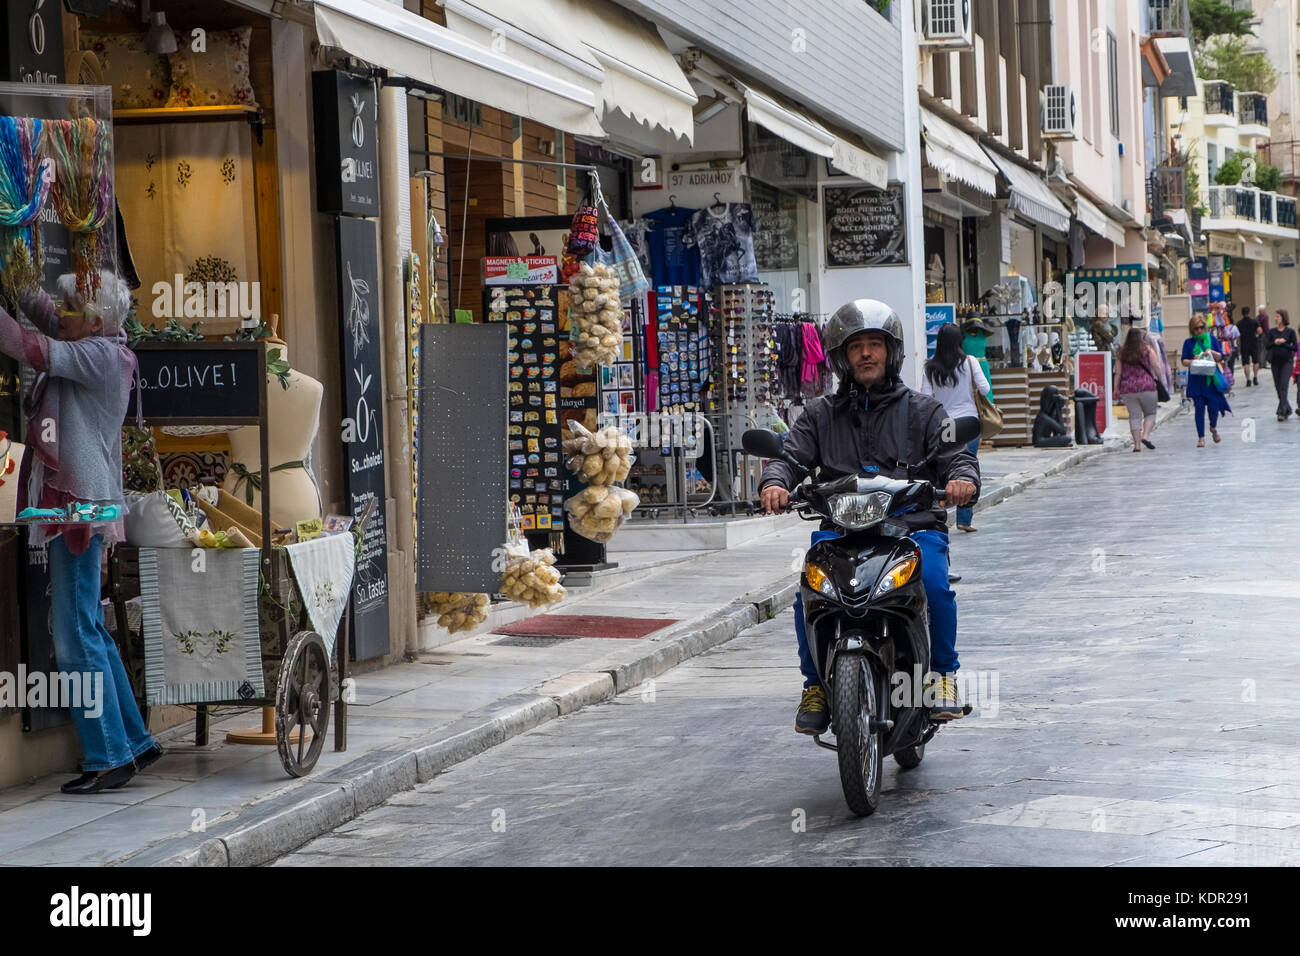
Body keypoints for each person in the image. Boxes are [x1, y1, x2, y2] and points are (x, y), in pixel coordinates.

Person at [759, 300, 980, 732]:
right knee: (807, 592)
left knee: (934, 584)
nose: (866, 353)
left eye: (874, 344)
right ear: (842, 357)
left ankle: (941, 677)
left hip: (912, 528)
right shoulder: (819, 414)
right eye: (856, 345)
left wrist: (961, 478)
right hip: (841, 534)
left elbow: (955, 453)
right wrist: (775, 482)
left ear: (890, 351)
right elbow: (789, 456)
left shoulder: (924, 410)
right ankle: (816, 685)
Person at [0, 272, 162, 794]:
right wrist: (14, 266)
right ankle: (133, 742)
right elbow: (46, 318)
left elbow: (29, 345)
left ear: (93, 320)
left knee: (72, 637)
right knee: (88, 625)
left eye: (71, 306)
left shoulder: (101, 357)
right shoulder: (96, 340)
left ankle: (108, 754)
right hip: (81, 506)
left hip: (79, 509)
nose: (61, 311)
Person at [920, 322, 988, 531]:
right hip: (969, 422)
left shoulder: (930, 367)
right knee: (968, 467)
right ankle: (964, 519)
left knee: (945, 467)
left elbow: (924, 398)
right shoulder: (970, 362)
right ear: (960, 340)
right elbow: (984, 389)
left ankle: (939, 513)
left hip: (946, 424)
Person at [1181, 314, 1231, 447]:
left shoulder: (1212, 339)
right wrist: (1193, 360)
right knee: (1199, 409)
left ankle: (1213, 427)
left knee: (1214, 408)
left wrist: (1212, 353)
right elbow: (1184, 361)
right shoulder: (1188, 343)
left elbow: (1220, 357)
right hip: (1197, 382)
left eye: (1201, 327)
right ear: (1192, 329)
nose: (1199, 331)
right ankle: (1201, 437)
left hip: (1211, 382)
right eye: (1196, 328)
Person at [1114, 328, 1162, 452]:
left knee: (1134, 416)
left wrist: (1115, 388)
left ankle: (1137, 445)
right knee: (1150, 413)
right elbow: (1156, 366)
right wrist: (1160, 380)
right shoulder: (1148, 350)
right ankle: (1145, 436)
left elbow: (1118, 373)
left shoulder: (1122, 353)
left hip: (1128, 388)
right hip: (1147, 386)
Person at [1266, 309, 1298, 420]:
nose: (1276, 318)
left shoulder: (1290, 332)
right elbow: (1267, 345)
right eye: (1275, 317)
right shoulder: (1272, 332)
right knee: (1278, 386)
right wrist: (1274, 342)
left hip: (1287, 362)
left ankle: (1281, 411)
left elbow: (1295, 347)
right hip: (1275, 362)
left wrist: (1284, 343)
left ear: (1283, 318)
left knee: (1284, 385)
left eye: (1278, 316)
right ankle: (1287, 408)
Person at [1237, 305, 1261, 387]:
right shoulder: (1254, 321)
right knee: (1255, 361)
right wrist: (1256, 335)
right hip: (1253, 343)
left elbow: (1237, 336)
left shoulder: (1239, 323)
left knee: (1246, 363)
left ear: (1242, 313)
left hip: (1244, 344)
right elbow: (1260, 331)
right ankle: (1255, 377)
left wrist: (1238, 346)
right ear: (1249, 312)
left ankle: (1248, 379)